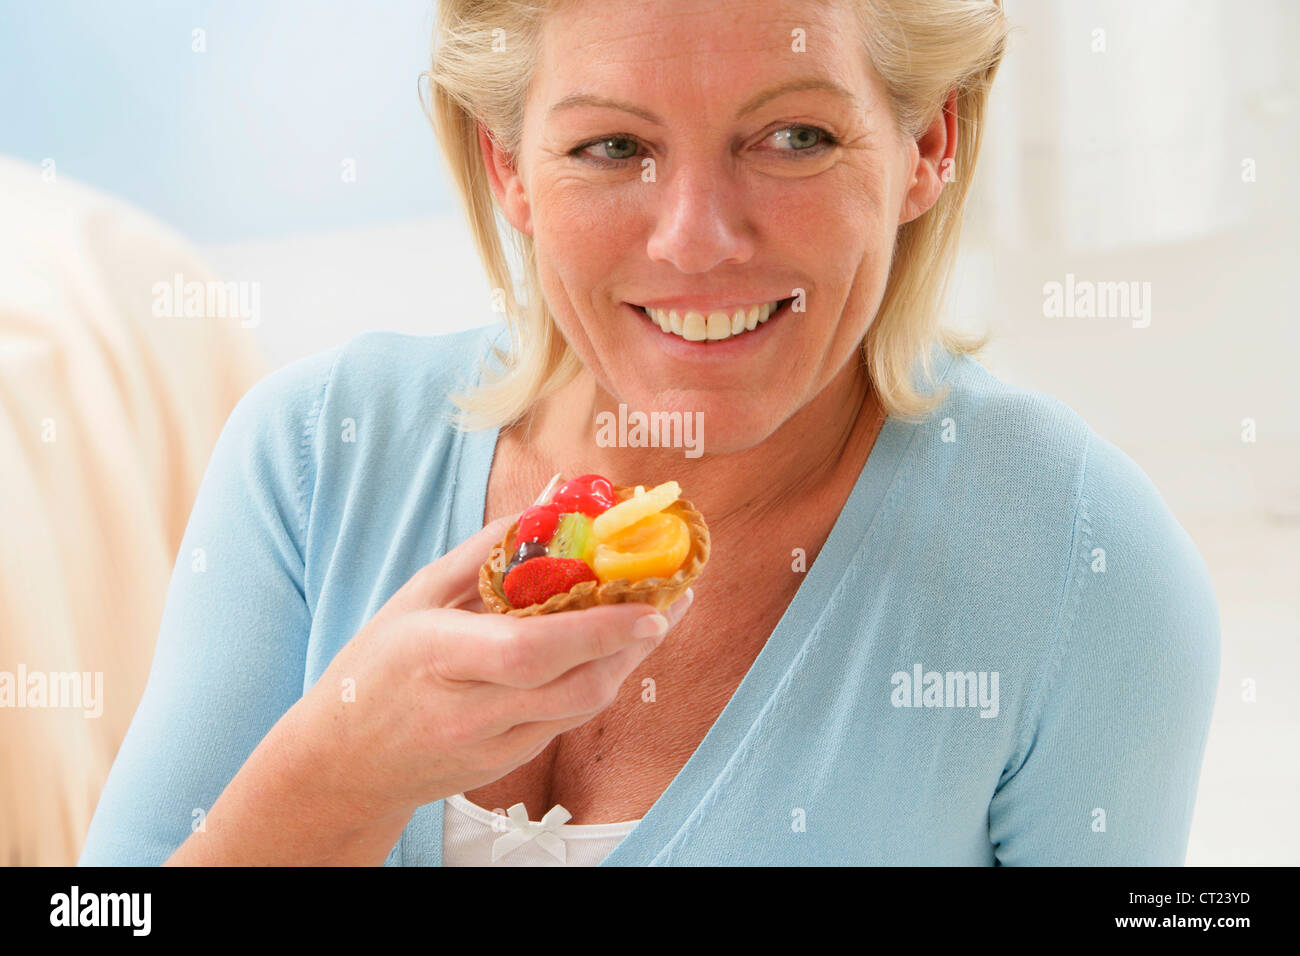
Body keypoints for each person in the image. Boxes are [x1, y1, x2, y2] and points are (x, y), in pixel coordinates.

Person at [79, 0, 1219, 866]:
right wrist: (337, 770)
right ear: (505, 164)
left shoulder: (1084, 564)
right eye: (614, 148)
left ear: (928, 141)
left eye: (794, 137)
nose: (697, 241)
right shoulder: (310, 453)